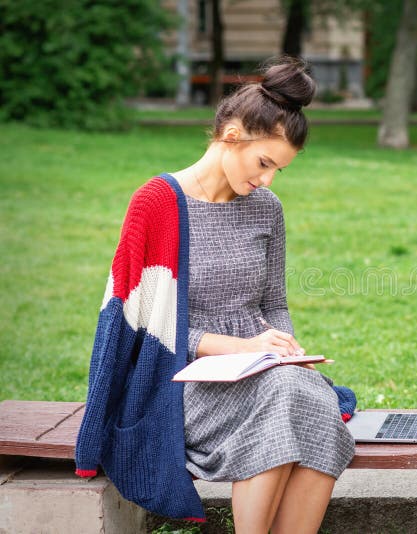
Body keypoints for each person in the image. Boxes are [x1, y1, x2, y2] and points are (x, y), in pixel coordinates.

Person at [74, 57, 355, 533]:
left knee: (309, 398)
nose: (266, 180)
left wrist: (282, 349)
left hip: (260, 372)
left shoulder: (265, 208)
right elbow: (141, 327)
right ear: (231, 135)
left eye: (278, 171)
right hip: (179, 380)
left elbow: (274, 304)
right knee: (285, 398)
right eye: (264, 163)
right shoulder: (158, 205)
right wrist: (243, 349)